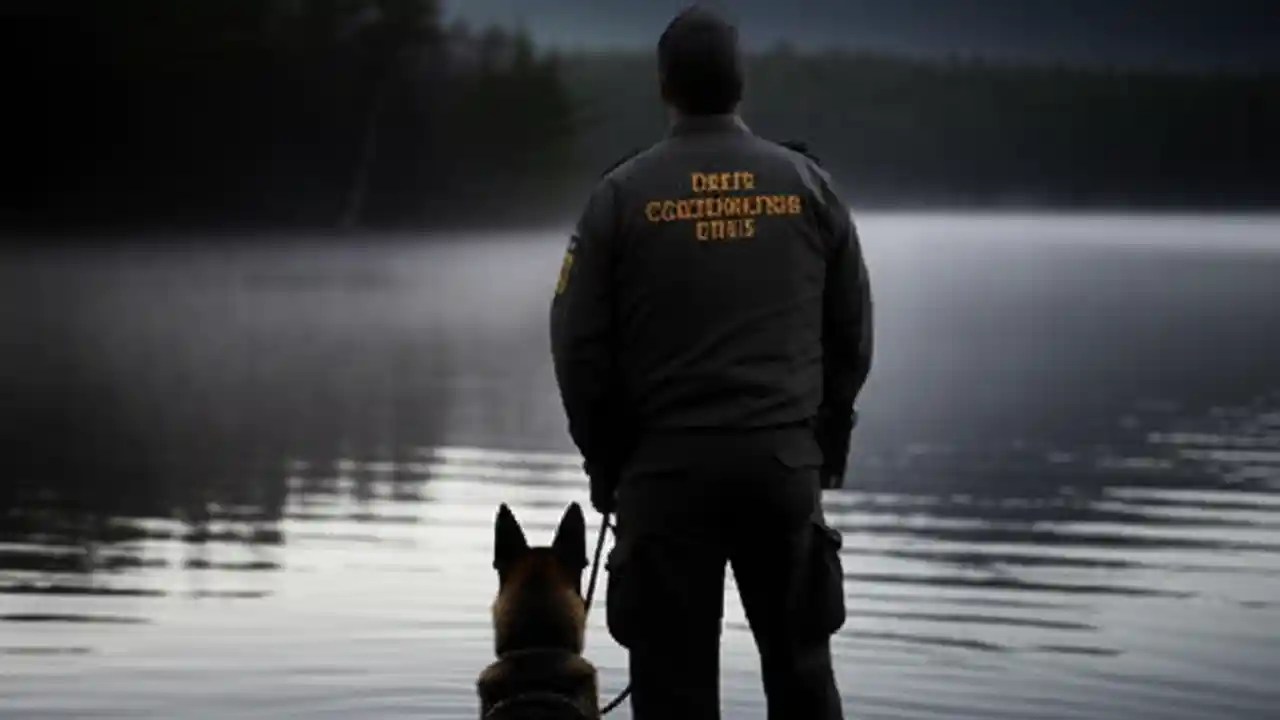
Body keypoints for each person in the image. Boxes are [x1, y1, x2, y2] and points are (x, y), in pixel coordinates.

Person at [549, 6, 872, 719]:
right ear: (739, 84)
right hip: (782, 470)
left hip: (663, 480)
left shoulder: (619, 196)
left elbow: (576, 347)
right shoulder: (811, 187)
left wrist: (607, 462)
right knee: (802, 675)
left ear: (665, 85)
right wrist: (824, 441)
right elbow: (851, 335)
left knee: (672, 693)